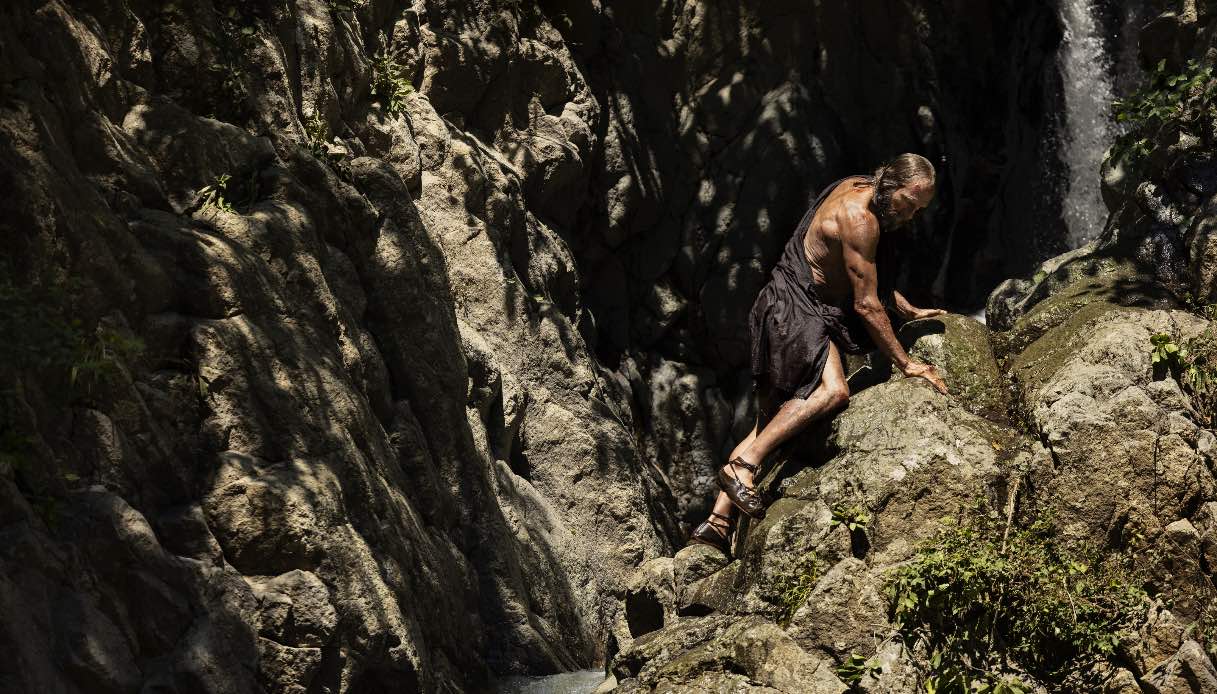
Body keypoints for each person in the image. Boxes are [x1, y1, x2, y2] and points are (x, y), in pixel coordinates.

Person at [688, 153, 950, 554]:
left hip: (785, 302)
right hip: (794, 309)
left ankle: (717, 523)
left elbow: (864, 272)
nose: (911, 215)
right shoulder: (861, 220)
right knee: (833, 391)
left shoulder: (860, 183)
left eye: (920, 209)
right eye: (909, 203)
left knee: (772, 419)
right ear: (893, 184)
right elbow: (865, 303)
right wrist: (907, 363)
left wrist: (909, 310)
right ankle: (744, 467)